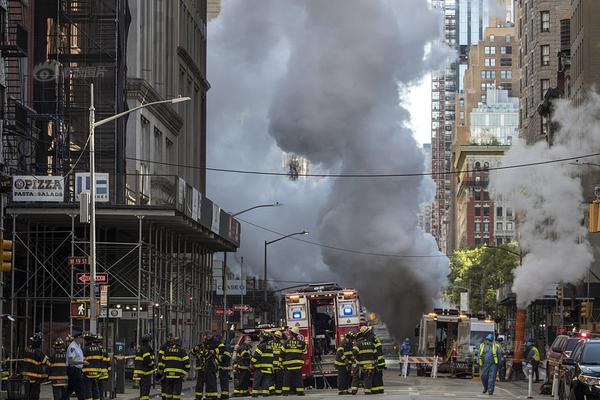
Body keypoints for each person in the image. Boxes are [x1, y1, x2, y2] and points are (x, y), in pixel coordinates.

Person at [21, 332, 48, 400]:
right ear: (38, 342)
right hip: (35, 378)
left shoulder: (27, 349)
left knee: (26, 395)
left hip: (26, 377)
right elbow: (46, 362)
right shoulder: (38, 351)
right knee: (34, 396)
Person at [351, 326, 376, 395]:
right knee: (368, 378)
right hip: (370, 365)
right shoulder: (371, 344)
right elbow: (375, 354)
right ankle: (367, 391)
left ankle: (354, 391)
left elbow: (353, 354)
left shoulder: (358, 344)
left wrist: (355, 360)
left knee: (356, 377)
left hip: (360, 365)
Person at [281, 327, 306, 396]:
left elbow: (282, 353)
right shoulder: (301, 343)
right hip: (297, 364)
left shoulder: (286, 343)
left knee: (287, 378)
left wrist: (281, 362)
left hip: (288, 364)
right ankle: (300, 392)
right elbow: (304, 351)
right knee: (298, 378)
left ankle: (285, 392)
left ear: (291, 334)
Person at [61, 334, 86, 400]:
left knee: (70, 389)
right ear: (77, 338)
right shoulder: (72, 347)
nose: (83, 339)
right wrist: (82, 362)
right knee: (80, 389)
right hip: (74, 370)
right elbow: (70, 361)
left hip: (77, 370)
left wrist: (82, 361)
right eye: (81, 338)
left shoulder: (78, 346)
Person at [251, 331, 274, 397]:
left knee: (257, 381)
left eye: (261, 337)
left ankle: (255, 394)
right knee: (266, 381)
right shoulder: (270, 346)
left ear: (263, 338)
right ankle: (265, 393)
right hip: (268, 367)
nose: (260, 339)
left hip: (260, 367)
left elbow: (256, 356)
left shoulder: (261, 346)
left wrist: (251, 363)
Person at [133, 333, 155, 400]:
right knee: (146, 389)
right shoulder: (146, 348)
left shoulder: (140, 348)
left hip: (140, 372)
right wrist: (152, 365)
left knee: (142, 388)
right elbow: (147, 359)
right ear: (148, 341)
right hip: (145, 372)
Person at [82, 332, 102, 400]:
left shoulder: (85, 349)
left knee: (88, 388)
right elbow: (101, 360)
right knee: (95, 387)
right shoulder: (98, 349)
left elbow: (83, 361)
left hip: (87, 372)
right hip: (96, 372)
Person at [216, 335, 233, 399]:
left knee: (224, 382)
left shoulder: (223, 348)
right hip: (223, 368)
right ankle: (224, 395)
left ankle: (225, 396)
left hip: (224, 367)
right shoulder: (225, 347)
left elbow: (223, 358)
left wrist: (218, 358)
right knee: (223, 382)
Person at [94, 335, 110, 400]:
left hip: (97, 372)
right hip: (104, 373)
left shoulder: (95, 350)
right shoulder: (105, 351)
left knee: (96, 386)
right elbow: (108, 362)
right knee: (101, 386)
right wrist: (108, 371)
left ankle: (98, 397)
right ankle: (101, 397)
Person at [370, 328, 386, 394]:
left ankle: (375, 390)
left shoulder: (371, 340)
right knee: (379, 376)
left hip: (376, 361)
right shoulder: (376, 339)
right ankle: (381, 389)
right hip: (381, 361)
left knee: (375, 376)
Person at [271, 331, 284, 396]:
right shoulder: (282, 345)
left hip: (272, 366)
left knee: (272, 380)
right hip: (278, 366)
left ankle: (274, 391)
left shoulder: (270, 344)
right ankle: (277, 392)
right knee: (278, 380)